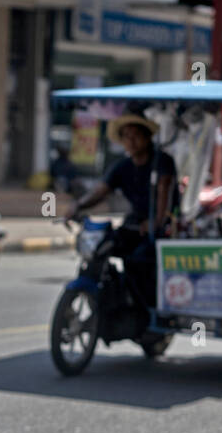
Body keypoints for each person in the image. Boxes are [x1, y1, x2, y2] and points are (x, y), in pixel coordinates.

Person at [67, 114, 174, 306]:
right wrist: (78, 205)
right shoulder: (123, 166)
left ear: (147, 137)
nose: (131, 141)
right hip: (134, 224)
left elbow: (163, 193)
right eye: (126, 136)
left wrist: (156, 222)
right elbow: (100, 191)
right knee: (102, 248)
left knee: (139, 259)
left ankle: (144, 307)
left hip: (161, 228)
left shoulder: (162, 162)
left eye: (136, 135)